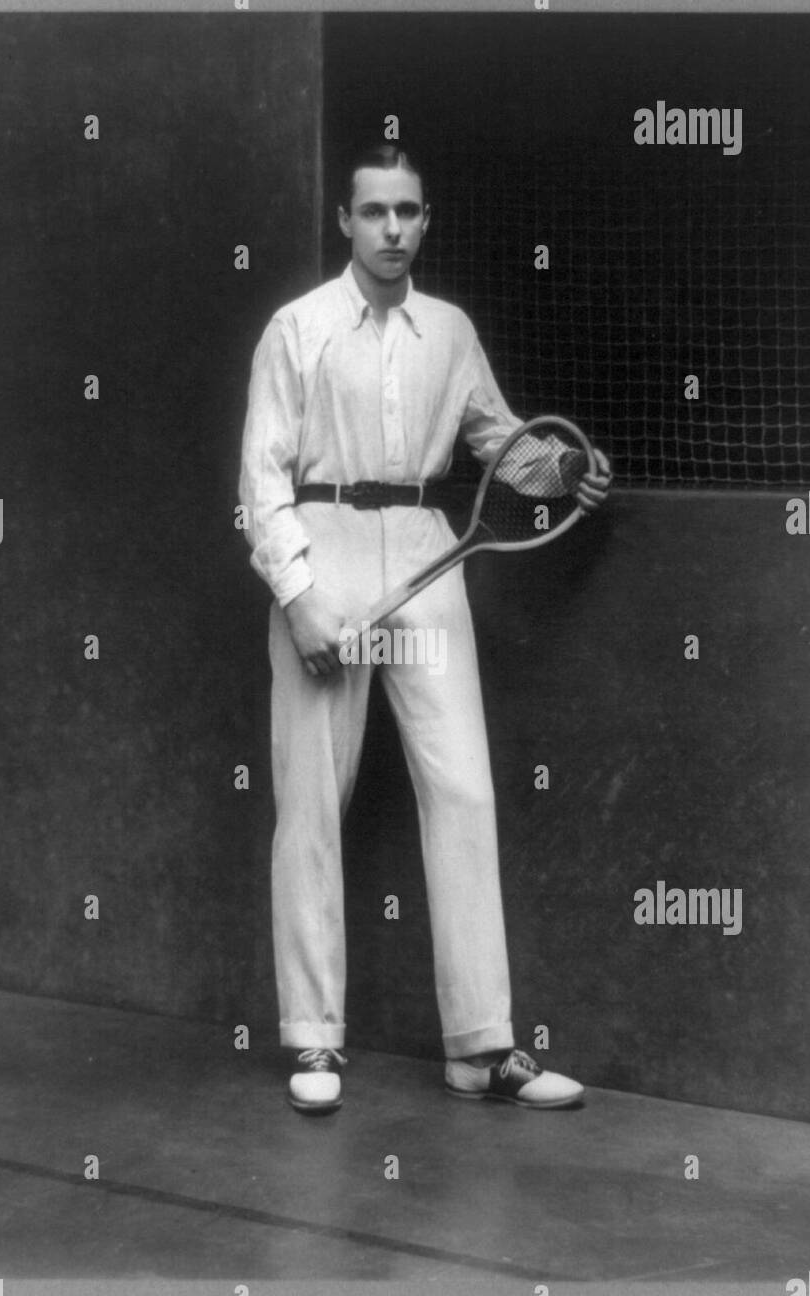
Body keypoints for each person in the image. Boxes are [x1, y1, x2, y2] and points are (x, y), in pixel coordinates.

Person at [239, 144, 611, 1114]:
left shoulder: (450, 331)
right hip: (322, 554)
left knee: (463, 789)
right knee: (312, 798)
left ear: (426, 219)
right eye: (374, 212)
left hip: (425, 554)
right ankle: (315, 1041)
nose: (393, 229)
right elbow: (259, 479)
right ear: (345, 220)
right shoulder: (298, 328)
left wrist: (565, 473)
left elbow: (503, 445)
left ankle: (482, 1046)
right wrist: (300, 594)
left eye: (408, 212)